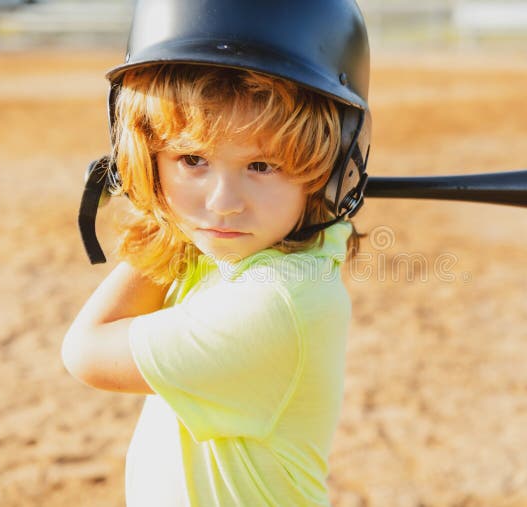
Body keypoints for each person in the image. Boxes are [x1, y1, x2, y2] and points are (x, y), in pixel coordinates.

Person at [61, 0, 372, 505]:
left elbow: (85, 352)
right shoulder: (273, 243)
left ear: (332, 172)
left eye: (263, 166)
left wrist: (160, 219)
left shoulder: (274, 304)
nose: (222, 205)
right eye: (193, 159)